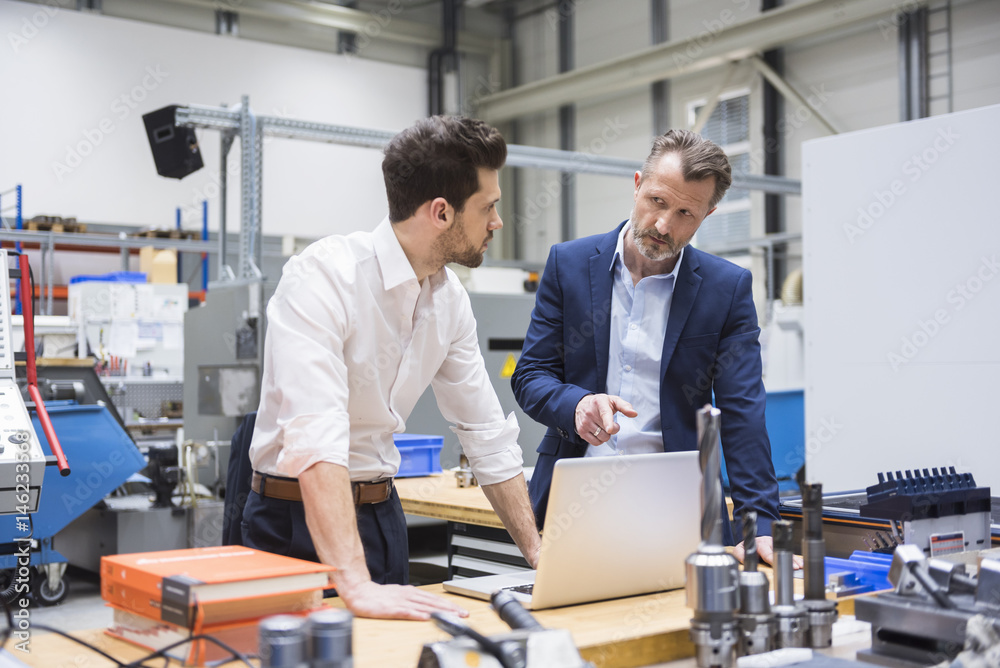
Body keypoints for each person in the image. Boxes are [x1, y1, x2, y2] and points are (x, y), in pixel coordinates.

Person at [244, 116, 541, 620]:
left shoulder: (450, 301)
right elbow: (316, 440)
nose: (498, 222)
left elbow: (486, 435)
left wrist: (541, 556)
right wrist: (354, 584)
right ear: (441, 212)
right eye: (488, 206)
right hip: (291, 521)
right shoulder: (322, 277)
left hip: (382, 518)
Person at [512, 129, 785, 566]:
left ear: (707, 215)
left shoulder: (726, 290)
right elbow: (530, 375)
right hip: (573, 499)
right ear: (638, 184)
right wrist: (577, 404)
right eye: (657, 201)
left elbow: (742, 415)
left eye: (685, 214)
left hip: (677, 510)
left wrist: (759, 526)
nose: (663, 226)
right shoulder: (568, 265)